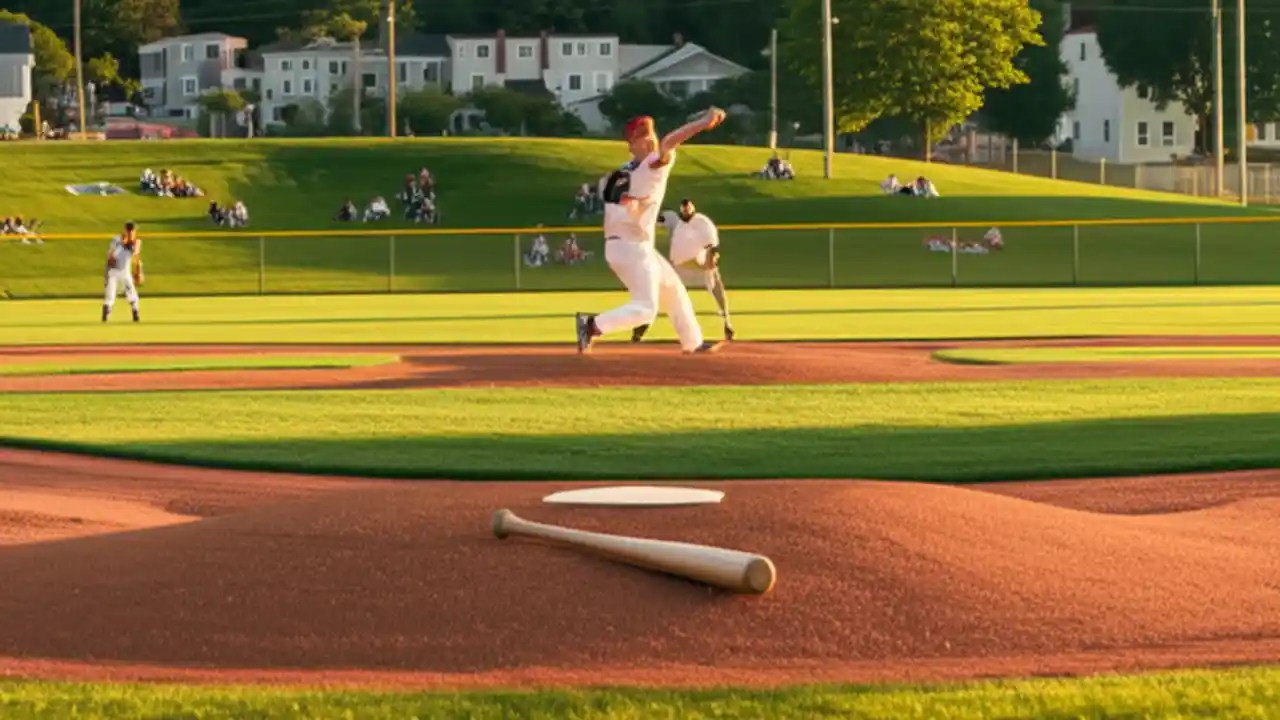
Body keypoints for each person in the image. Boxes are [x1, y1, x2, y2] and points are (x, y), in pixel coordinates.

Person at [575, 108, 726, 354]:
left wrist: (626, 198)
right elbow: (670, 142)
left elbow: (607, 189)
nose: (650, 139)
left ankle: (693, 342)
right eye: (642, 136)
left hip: (631, 245)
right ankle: (592, 325)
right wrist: (703, 123)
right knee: (646, 308)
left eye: (649, 134)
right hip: (630, 247)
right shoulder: (650, 164)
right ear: (634, 143)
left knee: (673, 290)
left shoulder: (625, 170)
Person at [632, 198, 734, 343]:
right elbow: (656, 218)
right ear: (681, 209)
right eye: (684, 208)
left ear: (693, 208)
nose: (686, 210)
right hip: (679, 268)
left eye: (688, 207)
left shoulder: (703, 223)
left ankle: (727, 322)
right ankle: (642, 327)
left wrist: (710, 264)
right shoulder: (674, 220)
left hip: (698, 266)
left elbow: (713, 248)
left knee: (716, 284)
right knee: (660, 293)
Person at [103, 221, 142, 323]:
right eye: (129, 230)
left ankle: (135, 311)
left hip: (125, 271)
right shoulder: (116, 240)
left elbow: (136, 255)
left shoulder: (136, 241)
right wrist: (121, 245)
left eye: (133, 231)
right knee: (110, 295)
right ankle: (106, 311)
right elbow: (110, 259)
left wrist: (139, 270)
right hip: (113, 270)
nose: (131, 232)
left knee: (132, 293)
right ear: (125, 230)